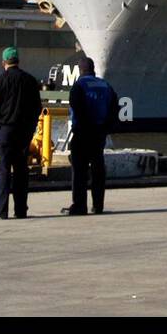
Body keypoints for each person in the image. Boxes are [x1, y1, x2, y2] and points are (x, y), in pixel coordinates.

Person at [0, 47, 42, 220]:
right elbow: (37, 107)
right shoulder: (30, 81)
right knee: (21, 171)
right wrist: (30, 127)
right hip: (24, 133)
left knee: (3, 172)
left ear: (3, 63)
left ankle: (0, 211)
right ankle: (21, 210)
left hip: (5, 132)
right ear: (18, 61)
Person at [61, 57, 120, 216]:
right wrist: (106, 128)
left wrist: (82, 128)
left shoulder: (79, 86)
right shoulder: (106, 86)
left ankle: (80, 205)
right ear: (93, 69)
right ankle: (98, 205)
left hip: (82, 134)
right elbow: (115, 109)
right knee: (98, 170)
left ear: (80, 70)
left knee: (79, 172)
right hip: (99, 134)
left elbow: (76, 108)